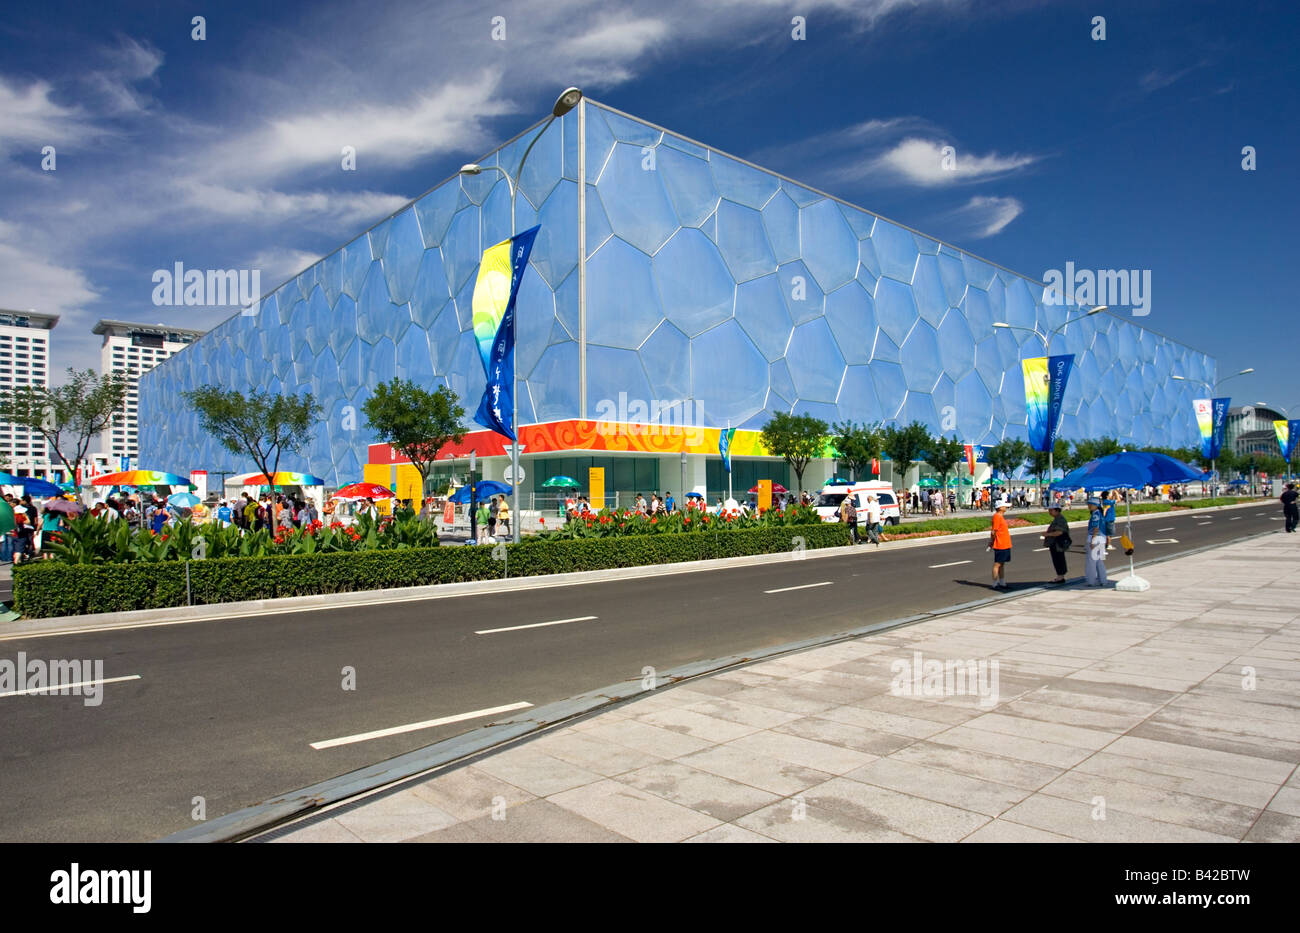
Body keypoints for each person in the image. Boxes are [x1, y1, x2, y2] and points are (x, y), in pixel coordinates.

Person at [1041, 505, 1070, 583]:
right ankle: (1060, 576)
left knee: (1059, 559)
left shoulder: (1060, 519)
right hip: (1055, 543)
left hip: (1058, 543)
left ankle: (1060, 577)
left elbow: (1059, 532)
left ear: (1057, 510)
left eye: (1051, 510)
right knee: (1057, 559)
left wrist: (1047, 534)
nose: (1049, 512)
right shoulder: (1057, 519)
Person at [988, 501, 1012, 589]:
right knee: (997, 564)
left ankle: (1002, 582)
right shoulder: (997, 517)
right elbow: (994, 531)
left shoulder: (1000, 517)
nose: (1006, 508)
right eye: (1004, 506)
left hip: (1005, 543)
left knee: (1002, 563)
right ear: (1000, 508)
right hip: (1000, 543)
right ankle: (995, 583)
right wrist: (992, 541)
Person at [1085, 497, 1108, 587]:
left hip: (1095, 538)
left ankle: (1091, 581)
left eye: (1091, 504)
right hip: (1101, 538)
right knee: (1099, 561)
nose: (1089, 506)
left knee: (1091, 561)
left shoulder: (1095, 514)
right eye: (1088, 504)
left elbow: (1095, 528)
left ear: (1096, 505)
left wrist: (1093, 540)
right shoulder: (1100, 514)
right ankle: (1103, 580)